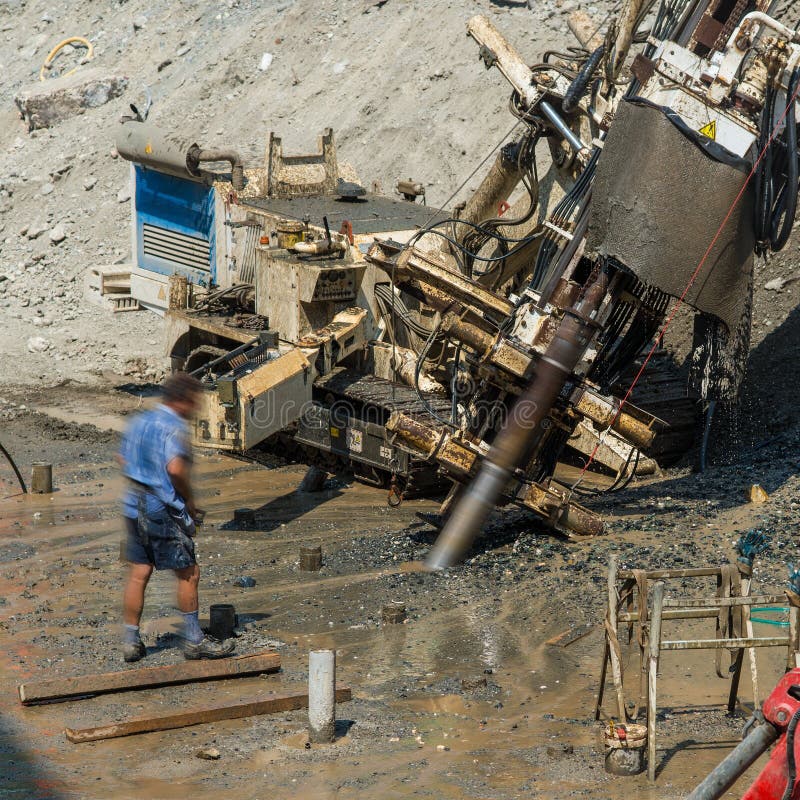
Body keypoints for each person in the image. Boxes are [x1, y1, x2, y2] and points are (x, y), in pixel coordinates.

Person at [118, 372, 234, 662]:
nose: (195, 409)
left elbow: (122, 459)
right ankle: (194, 641)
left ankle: (131, 642)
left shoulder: (140, 421)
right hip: (160, 509)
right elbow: (176, 469)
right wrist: (190, 502)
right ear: (182, 401)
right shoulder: (173, 427)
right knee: (188, 573)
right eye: (194, 402)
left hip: (133, 504)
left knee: (139, 572)